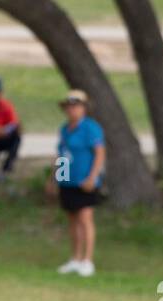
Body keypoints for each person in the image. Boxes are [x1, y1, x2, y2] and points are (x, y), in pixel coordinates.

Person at [48, 89, 104, 277]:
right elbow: (62, 155)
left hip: (84, 181)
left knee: (85, 218)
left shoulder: (90, 128)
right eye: (69, 107)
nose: (72, 110)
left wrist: (92, 177)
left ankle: (87, 260)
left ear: (84, 108)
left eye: (76, 106)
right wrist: (57, 178)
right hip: (68, 181)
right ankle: (75, 258)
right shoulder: (65, 129)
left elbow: (99, 154)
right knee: (72, 219)